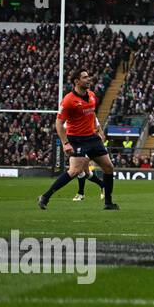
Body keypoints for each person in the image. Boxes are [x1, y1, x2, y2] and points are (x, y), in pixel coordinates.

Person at [37, 68, 117, 211]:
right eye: (85, 77)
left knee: (108, 167)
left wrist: (98, 129)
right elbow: (59, 123)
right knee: (74, 171)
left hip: (92, 138)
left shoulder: (91, 95)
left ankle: (108, 202)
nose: (88, 79)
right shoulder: (68, 100)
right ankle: (45, 196)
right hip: (77, 139)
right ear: (77, 81)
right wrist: (65, 143)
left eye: (88, 76)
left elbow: (92, 114)